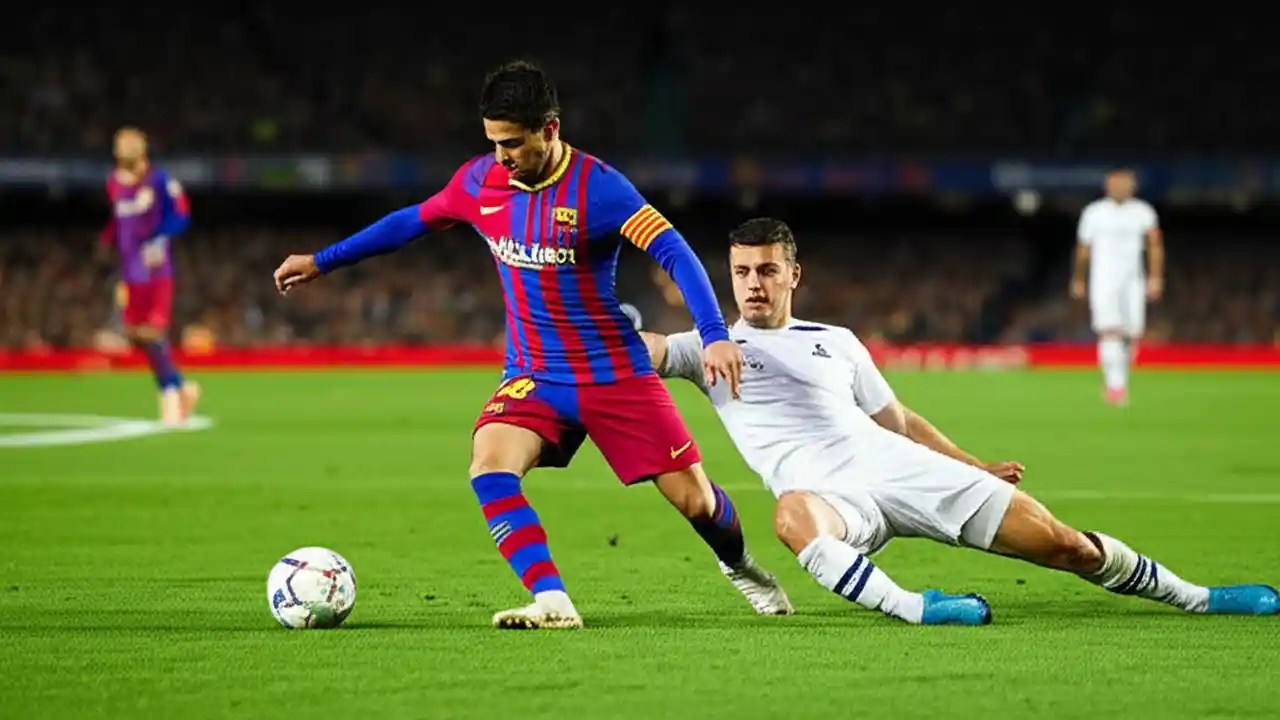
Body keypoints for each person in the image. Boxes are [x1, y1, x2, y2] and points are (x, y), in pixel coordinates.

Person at [272, 61, 792, 630]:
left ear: (549, 128)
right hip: (534, 375)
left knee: (696, 502)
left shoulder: (601, 188)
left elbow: (674, 252)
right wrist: (323, 261)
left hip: (613, 374)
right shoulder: (478, 182)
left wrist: (715, 336)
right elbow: (411, 222)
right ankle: (552, 600)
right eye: (493, 143)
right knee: (489, 464)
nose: (502, 157)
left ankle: (740, 564)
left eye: (513, 144)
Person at [643, 217, 1277, 624]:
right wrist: (600, 328)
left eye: (767, 270)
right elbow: (647, 351)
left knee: (1065, 546)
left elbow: (900, 420)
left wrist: (973, 467)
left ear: (793, 274)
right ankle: (917, 609)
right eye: (741, 271)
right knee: (790, 518)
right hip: (835, 501)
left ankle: (1199, 597)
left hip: (903, 470)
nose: (753, 283)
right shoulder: (711, 349)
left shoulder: (836, 340)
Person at [99, 126, 200, 426]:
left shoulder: (160, 181)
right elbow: (119, 221)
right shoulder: (114, 184)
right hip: (131, 273)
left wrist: (160, 236)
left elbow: (182, 214)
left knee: (155, 331)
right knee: (134, 334)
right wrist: (107, 240)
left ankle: (170, 395)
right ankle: (182, 386)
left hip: (156, 271)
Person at [1069, 167, 1164, 406]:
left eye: (1125, 184)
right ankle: (1115, 387)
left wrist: (1155, 277)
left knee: (1132, 333)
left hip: (1134, 279)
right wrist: (1079, 278)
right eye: (1115, 184)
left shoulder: (1143, 212)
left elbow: (1154, 246)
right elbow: (1083, 249)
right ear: (1107, 186)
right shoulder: (1094, 213)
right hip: (1103, 280)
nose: (1120, 188)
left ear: (1133, 186)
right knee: (1109, 330)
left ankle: (1119, 380)